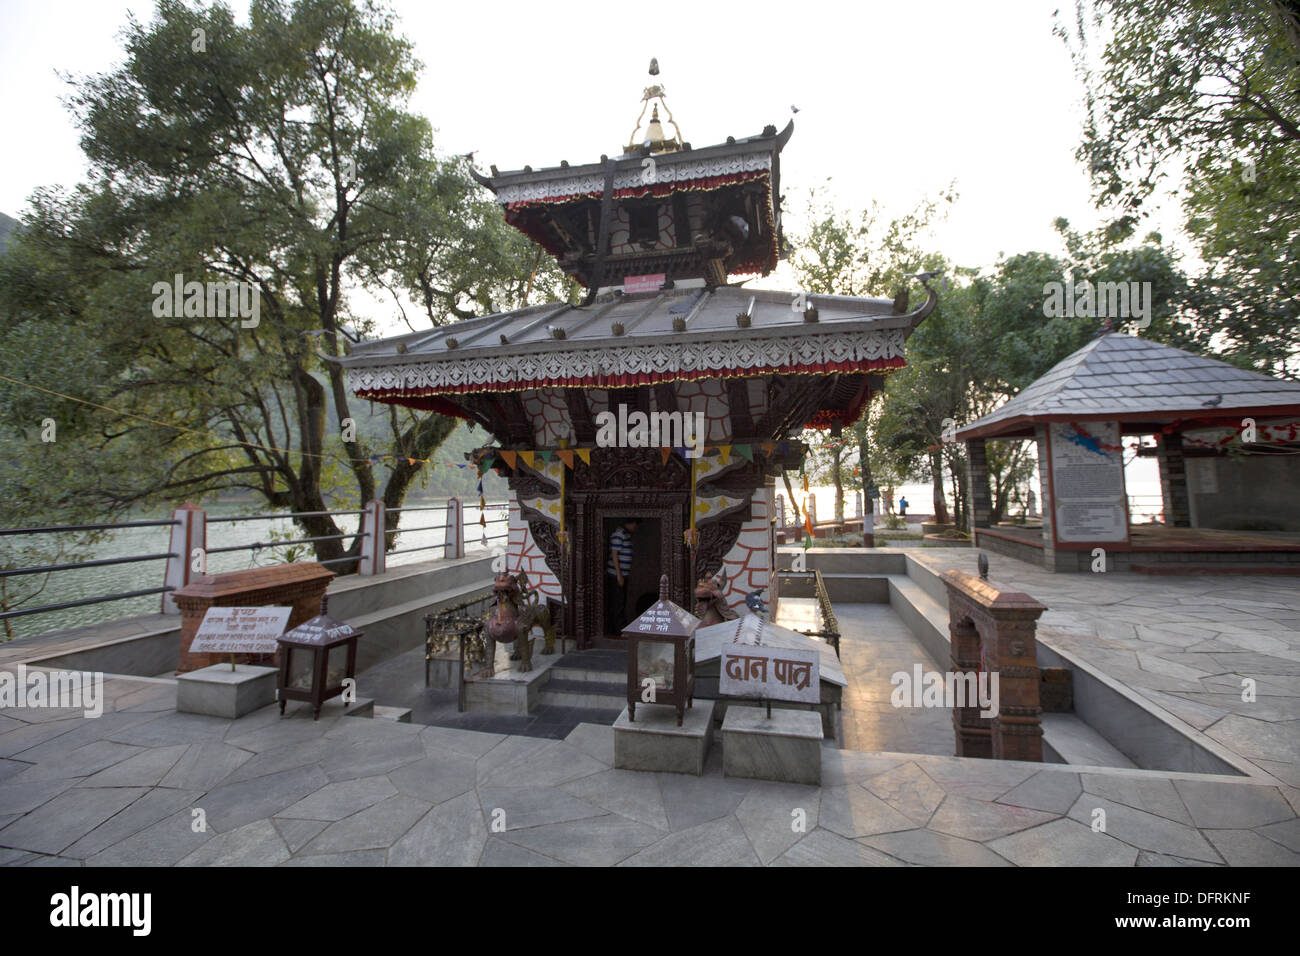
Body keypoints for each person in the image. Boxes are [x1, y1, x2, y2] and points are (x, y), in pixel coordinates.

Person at [606, 518, 638, 635]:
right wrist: (619, 575)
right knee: (617, 602)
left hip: (623, 575)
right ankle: (619, 629)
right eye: (635, 524)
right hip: (616, 575)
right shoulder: (618, 534)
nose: (636, 527)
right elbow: (614, 555)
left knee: (621, 601)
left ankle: (620, 627)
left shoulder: (626, 535)